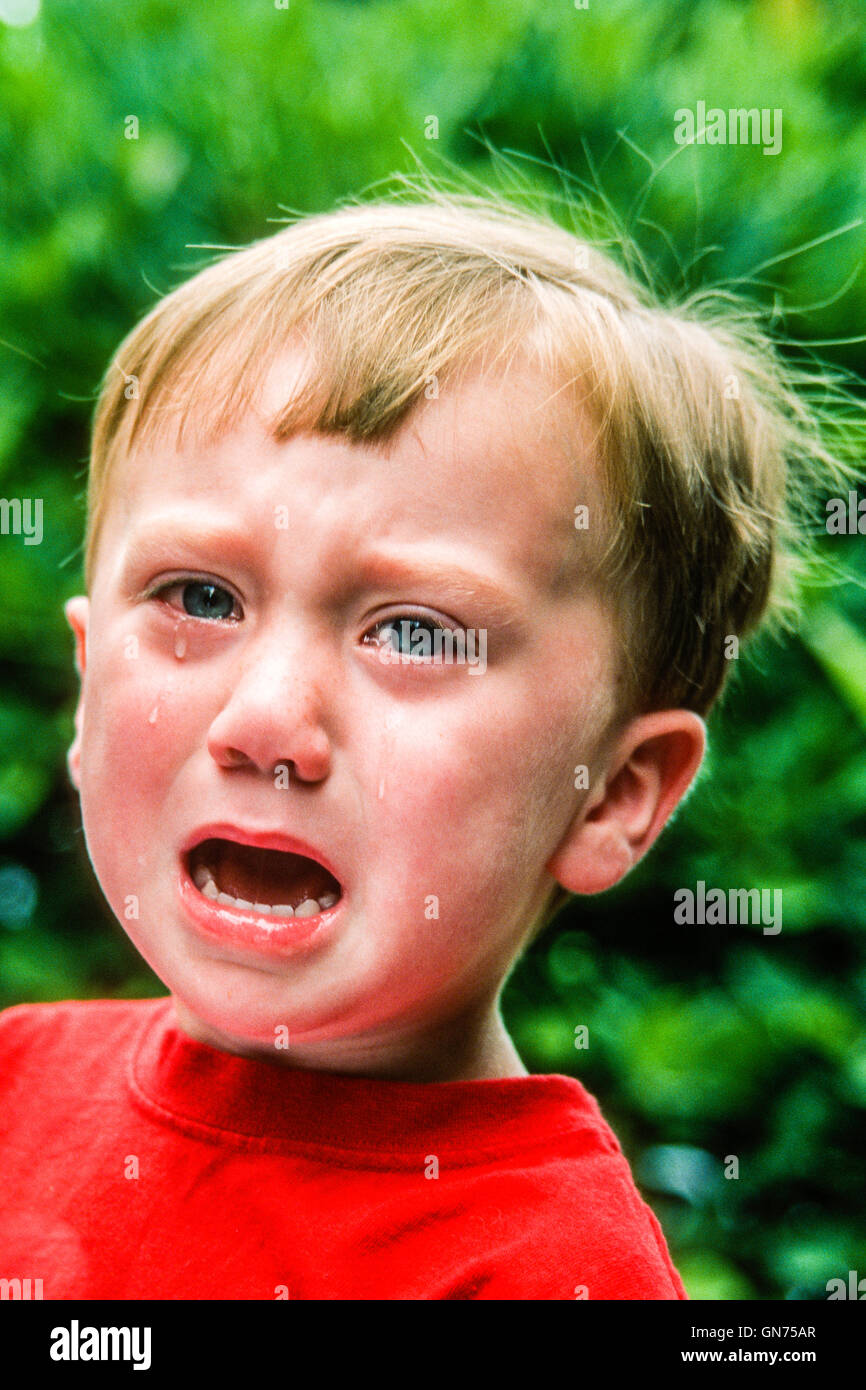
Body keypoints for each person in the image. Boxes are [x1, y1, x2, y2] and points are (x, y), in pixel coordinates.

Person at [0, 189, 840, 1299]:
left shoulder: (543, 1272)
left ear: (611, 794)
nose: (264, 724)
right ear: (86, 677)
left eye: (411, 631)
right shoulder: (17, 1084)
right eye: (199, 596)